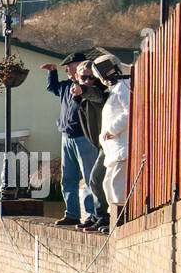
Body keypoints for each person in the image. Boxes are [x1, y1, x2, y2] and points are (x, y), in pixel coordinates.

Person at [39, 52, 100, 227]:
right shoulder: (66, 86)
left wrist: (82, 86)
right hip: (67, 137)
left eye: (70, 66)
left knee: (89, 178)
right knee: (68, 179)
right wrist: (51, 72)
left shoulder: (89, 85)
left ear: (81, 66)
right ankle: (72, 214)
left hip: (84, 137)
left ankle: (91, 215)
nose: (66, 69)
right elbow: (52, 88)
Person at [94, 52, 131, 232]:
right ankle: (115, 220)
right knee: (108, 183)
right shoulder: (116, 90)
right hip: (113, 150)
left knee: (116, 186)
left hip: (121, 147)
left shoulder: (124, 87)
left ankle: (121, 222)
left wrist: (111, 130)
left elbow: (128, 112)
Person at [72, 59, 110, 233]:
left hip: (109, 143)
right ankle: (97, 216)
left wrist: (84, 90)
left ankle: (103, 217)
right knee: (94, 181)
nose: (88, 81)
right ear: (76, 77)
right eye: (84, 78)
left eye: (91, 77)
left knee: (95, 180)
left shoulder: (98, 91)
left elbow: (97, 95)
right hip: (100, 143)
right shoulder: (79, 95)